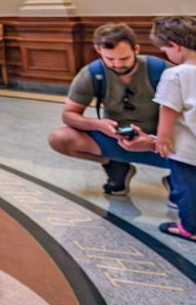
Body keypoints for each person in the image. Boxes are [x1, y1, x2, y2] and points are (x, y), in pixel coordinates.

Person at [47, 23, 174, 198]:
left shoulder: (161, 70)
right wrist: (98, 125)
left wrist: (159, 138)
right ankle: (116, 166)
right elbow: (69, 114)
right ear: (98, 50)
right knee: (59, 138)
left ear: (136, 49)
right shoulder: (92, 73)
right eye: (110, 59)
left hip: (162, 140)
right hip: (118, 137)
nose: (117, 64)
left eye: (124, 58)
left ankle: (178, 178)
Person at [152, 17, 196, 241]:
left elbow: (169, 107)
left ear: (175, 46)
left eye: (164, 50)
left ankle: (190, 228)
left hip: (188, 149)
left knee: (186, 189)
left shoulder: (175, 74)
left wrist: (163, 136)